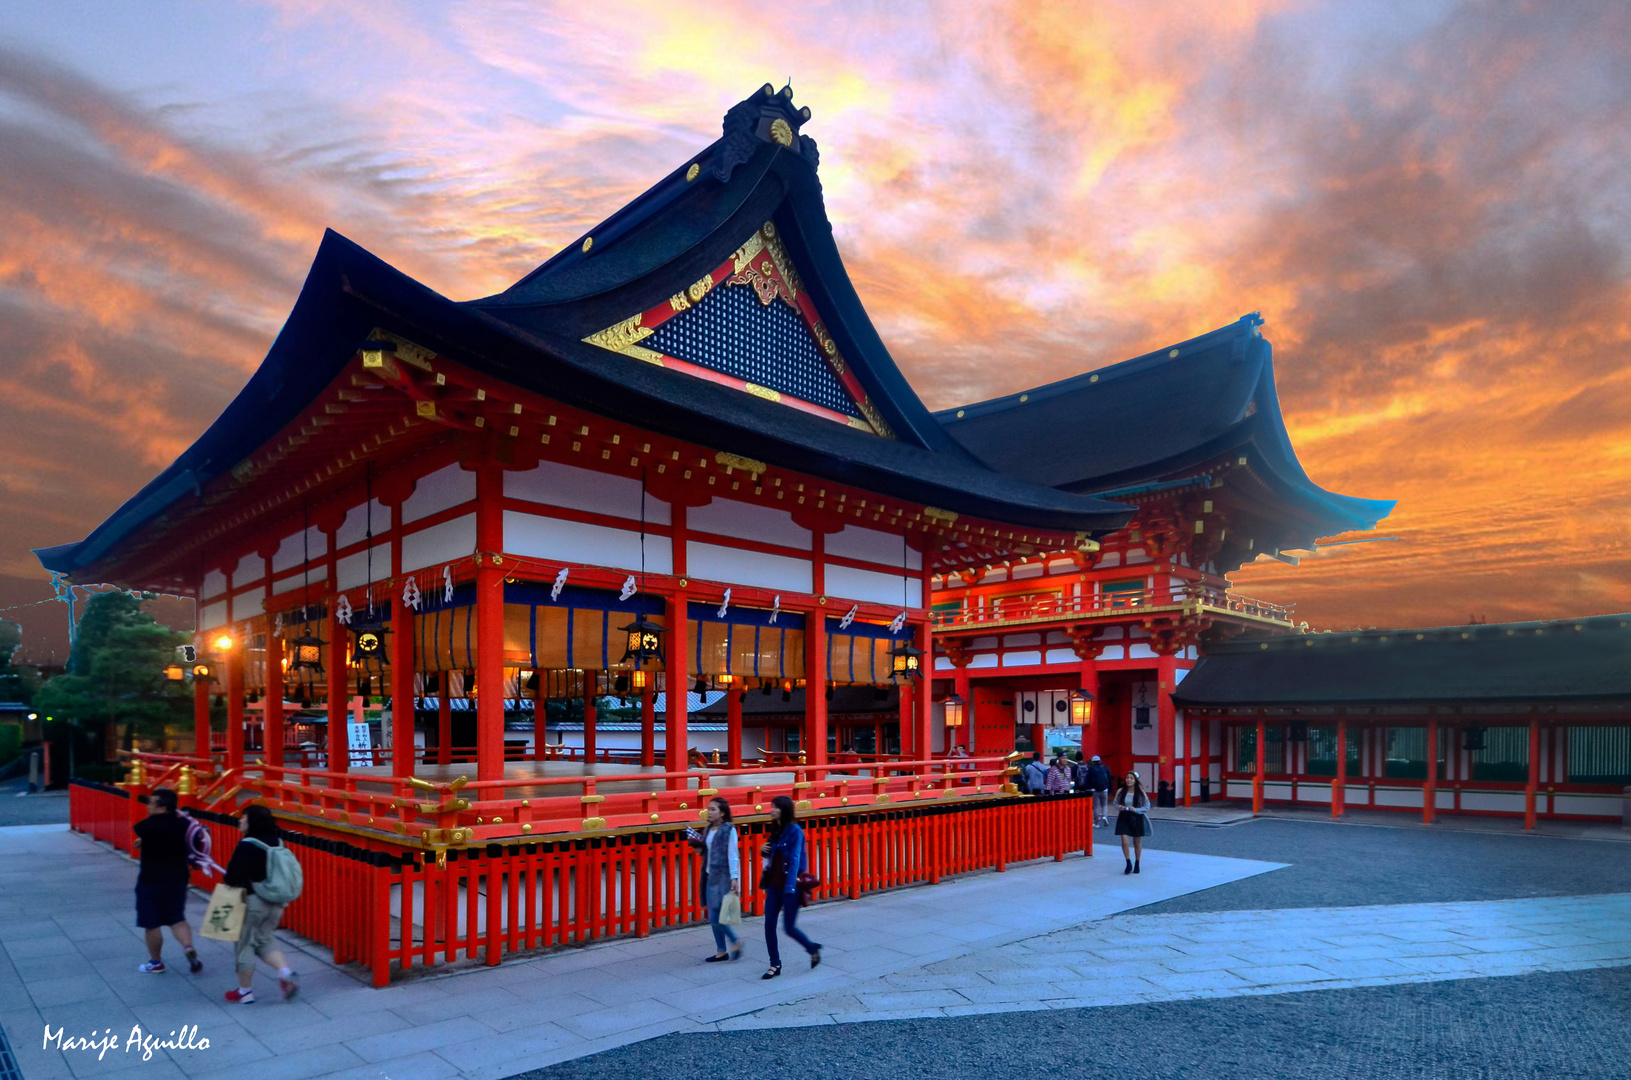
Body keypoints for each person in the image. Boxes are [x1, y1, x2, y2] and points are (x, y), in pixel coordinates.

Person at [220, 805, 298, 1003]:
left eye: (243, 818)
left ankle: (244, 992)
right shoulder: (278, 842)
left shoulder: (247, 844)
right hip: (276, 903)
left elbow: (232, 877)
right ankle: (285, 973)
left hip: (253, 902)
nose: (240, 821)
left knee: (244, 944)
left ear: (251, 821)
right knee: (264, 939)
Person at [132, 787, 202, 974]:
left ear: (161, 807)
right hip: (178, 879)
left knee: (151, 922)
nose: (148, 806)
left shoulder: (145, 826)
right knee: (177, 918)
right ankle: (187, 947)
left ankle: (156, 963)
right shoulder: (184, 826)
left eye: (151, 803)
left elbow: (145, 831)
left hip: (151, 880)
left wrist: (143, 840)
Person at [759, 794, 820, 979]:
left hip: (789, 886)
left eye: (776, 807)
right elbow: (771, 858)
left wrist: (791, 886)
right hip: (773, 886)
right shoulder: (775, 830)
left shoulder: (795, 831)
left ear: (784, 810)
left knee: (789, 927)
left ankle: (812, 948)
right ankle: (775, 964)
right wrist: (763, 850)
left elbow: (794, 860)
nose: (772, 810)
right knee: (769, 924)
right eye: (772, 806)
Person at [688, 797, 742, 962]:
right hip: (709, 876)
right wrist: (697, 847)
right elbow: (707, 853)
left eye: (713, 809)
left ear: (723, 812)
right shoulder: (708, 829)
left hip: (723, 876)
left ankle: (735, 941)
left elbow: (733, 855)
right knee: (713, 914)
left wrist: (735, 877)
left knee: (716, 916)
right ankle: (721, 950)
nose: (709, 812)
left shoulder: (729, 830)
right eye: (708, 809)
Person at [1112, 770, 1153, 874]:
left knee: (1137, 842)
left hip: (1136, 817)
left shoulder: (1141, 793)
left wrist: (1136, 810)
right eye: (1127, 778)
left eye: (1131, 778)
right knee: (1124, 841)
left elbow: (1146, 806)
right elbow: (1115, 802)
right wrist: (1120, 807)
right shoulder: (1121, 791)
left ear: (1135, 780)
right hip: (1124, 816)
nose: (1128, 780)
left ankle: (1137, 862)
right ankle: (1128, 862)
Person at [1078, 755, 1113, 826]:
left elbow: (1087, 779)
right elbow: (1110, 779)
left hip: (1094, 790)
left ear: (1093, 761)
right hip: (1104, 789)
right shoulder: (1105, 768)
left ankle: (1096, 822)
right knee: (1104, 805)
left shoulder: (1091, 769)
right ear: (1100, 761)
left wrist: (1087, 787)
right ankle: (1105, 816)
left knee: (1096, 806)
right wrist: (1110, 789)